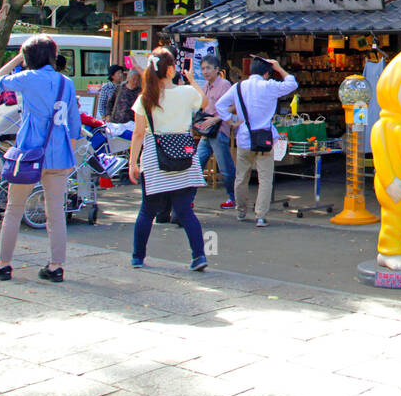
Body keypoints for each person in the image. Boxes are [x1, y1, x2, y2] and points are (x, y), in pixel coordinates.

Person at [0, 35, 81, 283]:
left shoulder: (27, 78)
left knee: (14, 209)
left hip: (28, 154)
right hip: (59, 155)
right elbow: (74, 123)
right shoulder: (66, 82)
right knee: (56, 213)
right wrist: (67, 152)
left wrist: (17, 58)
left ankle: (4, 264)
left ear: (29, 58)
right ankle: (56, 266)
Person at [127, 48, 208, 269]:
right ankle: (199, 256)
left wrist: (132, 162)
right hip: (183, 153)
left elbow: (138, 132)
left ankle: (138, 256)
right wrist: (191, 80)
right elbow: (204, 103)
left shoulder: (145, 97)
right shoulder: (185, 92)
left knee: (147, 210)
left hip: (155, 155)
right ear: (172, 70)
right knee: (185, 210)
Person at [215, 57, 297, 227]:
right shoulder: (269, 86)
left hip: (244, 137)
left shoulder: (238, 87)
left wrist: (231, 120)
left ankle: (241, 211)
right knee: (265, 179)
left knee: (241, 178)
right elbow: (292, 83)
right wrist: (279, 67)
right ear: (267, 73)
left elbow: (220, 105)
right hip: (265, 138)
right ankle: (260, 215)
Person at [193, 55, 236, 209]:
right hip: (207, 132)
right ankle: (188, 199)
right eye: (203, 68)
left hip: (219, 131)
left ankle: (234, 197)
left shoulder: (224, 85)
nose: (205, 71)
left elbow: (233, 106)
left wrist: (216, 119)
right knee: (196, 165)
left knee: (226, 168)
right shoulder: (205, 86)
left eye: (208, 68)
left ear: (217, 69)